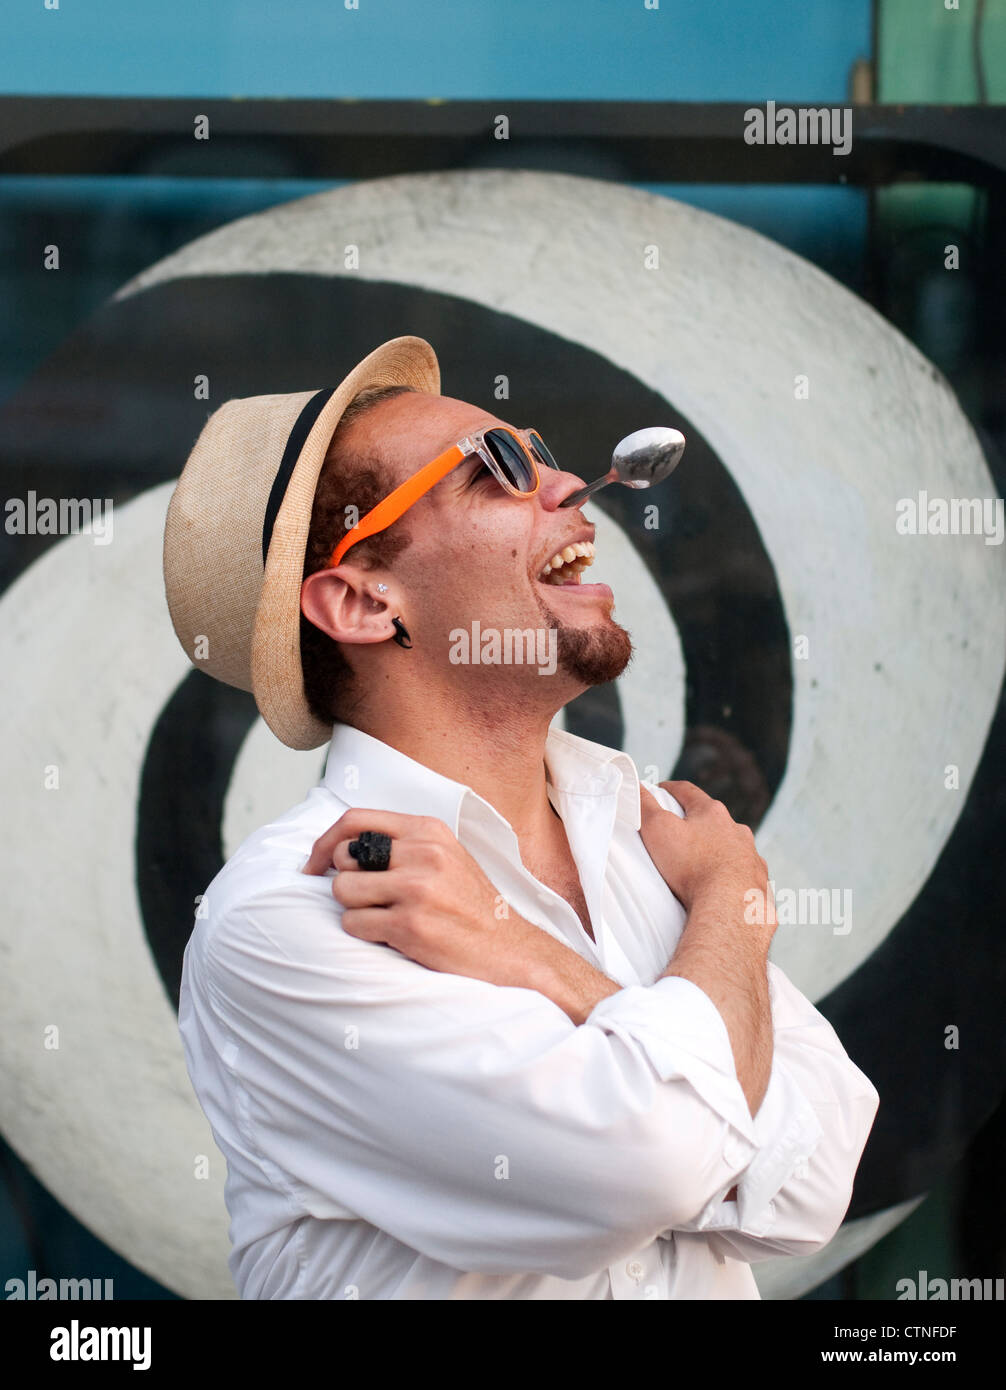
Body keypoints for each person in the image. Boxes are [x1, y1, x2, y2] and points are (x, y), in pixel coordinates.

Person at [164, 335, 879, 1300]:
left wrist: (540, 960)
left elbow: (812, 1185)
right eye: (496, 468)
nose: (569, 484)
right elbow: (657, 1163)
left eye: (539, 449)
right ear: (365, 602)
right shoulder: (290, 912)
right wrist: (729, 901)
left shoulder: (647, 827)